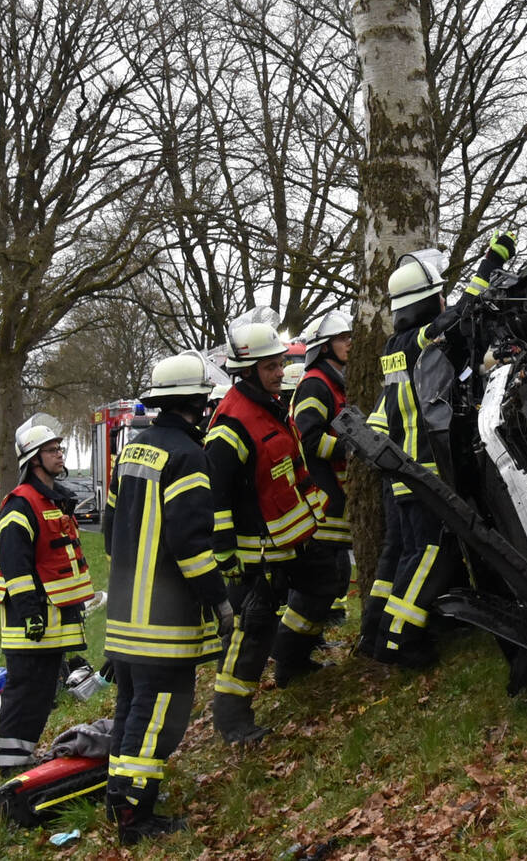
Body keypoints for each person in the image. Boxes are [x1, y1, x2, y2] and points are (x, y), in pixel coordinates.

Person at [361, 232, 515, 668]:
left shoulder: (394, 348)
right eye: (438, 297)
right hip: (421, 470)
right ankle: (399, 641)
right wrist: (490, 265)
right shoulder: (415, 341)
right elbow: (460, 316)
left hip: (406, 472)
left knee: (415, 554)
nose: (444, 302)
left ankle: (389, 634)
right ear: (425, 301)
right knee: (429, 553)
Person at [102, 353, 233, 846]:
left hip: (124, 615)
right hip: (165, 620)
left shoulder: (133, 449)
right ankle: (135, 818)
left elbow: (112, 533)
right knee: (156, 715)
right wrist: (220, 603)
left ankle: (119, 798)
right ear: (198, 402)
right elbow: (192, 546)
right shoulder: (187, 456)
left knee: (130, 708)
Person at [205, 311, 327, 742]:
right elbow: (215, 499)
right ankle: (232, 719)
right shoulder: (230, 425)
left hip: (291, 541)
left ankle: (292, 659)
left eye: (279, 364)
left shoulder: (273, 409)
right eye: (270, 366)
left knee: (330, 577)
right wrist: (227, 558)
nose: (280, 372)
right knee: (250, 630)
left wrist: (316, 517)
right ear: (248, 372)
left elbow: (294, 469)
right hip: (253, 552)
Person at [0, 415, 94, 779]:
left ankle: (24, 758)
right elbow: (15, 566)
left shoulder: (52, 500)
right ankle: (11, 766)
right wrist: (30, 612)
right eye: (52, 450)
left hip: (53, 617)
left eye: (60, 448)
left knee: (45, 688)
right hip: (29, 619)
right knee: (25, 688)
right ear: (34, 459)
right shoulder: (20, 505)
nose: (59, 454)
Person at [289, 311, 354, 630]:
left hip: (333, 497)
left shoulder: (336, 381)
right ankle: (291, 653)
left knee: (336, 575)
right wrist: (351, 447)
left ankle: (307, 645)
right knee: (323, 578)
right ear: (324, 347)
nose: (350, 343)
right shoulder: (316, 384)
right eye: (343, 338)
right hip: (322, 498)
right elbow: (308, 437)